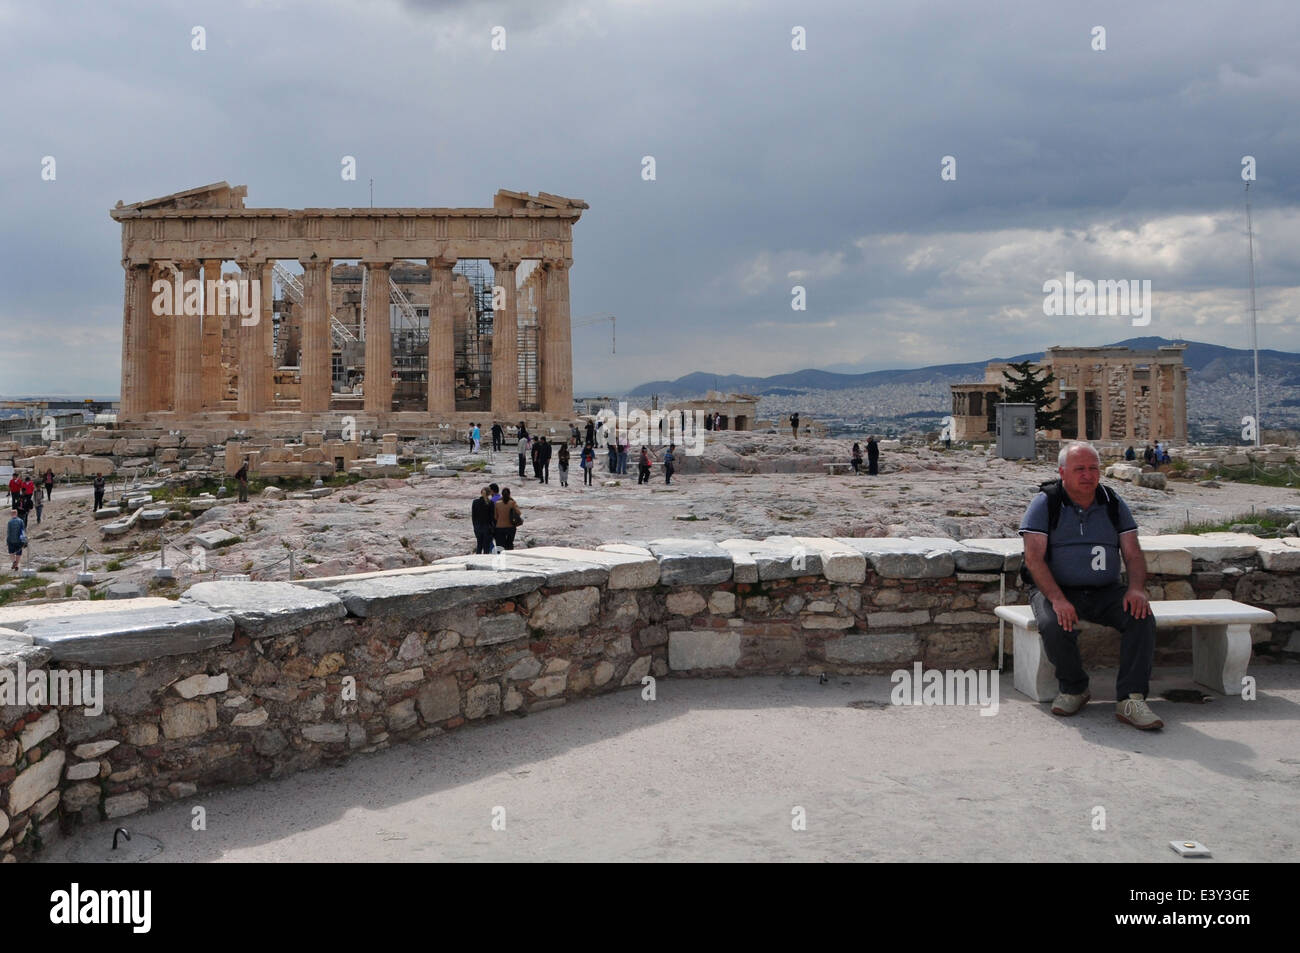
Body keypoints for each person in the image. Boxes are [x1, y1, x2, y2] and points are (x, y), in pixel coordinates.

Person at [1019, 442, 1161, 731]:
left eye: (1093, 468)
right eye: (1079, 469)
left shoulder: (1111, 502)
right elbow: (1033, 558)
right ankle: (1074, 688)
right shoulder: (1046, 503)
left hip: (1105, 589)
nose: (1087, 475)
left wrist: (1136, 589)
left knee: (1141, 617)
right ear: (1062, 472)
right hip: (1056, 589)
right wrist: (1057, 599)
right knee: (1054, 624)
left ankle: (1131, 698)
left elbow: (1132, 553)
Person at [471, 486, 495, 554]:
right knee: (486, 547)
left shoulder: (475, 502)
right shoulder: (491, 503)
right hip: (487, 528)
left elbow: (473, 516)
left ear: (481, 493)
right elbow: (492, 517)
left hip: (478, 527)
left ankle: (477, 561)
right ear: (489, 494)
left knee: (479, 546)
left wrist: (475, 527)